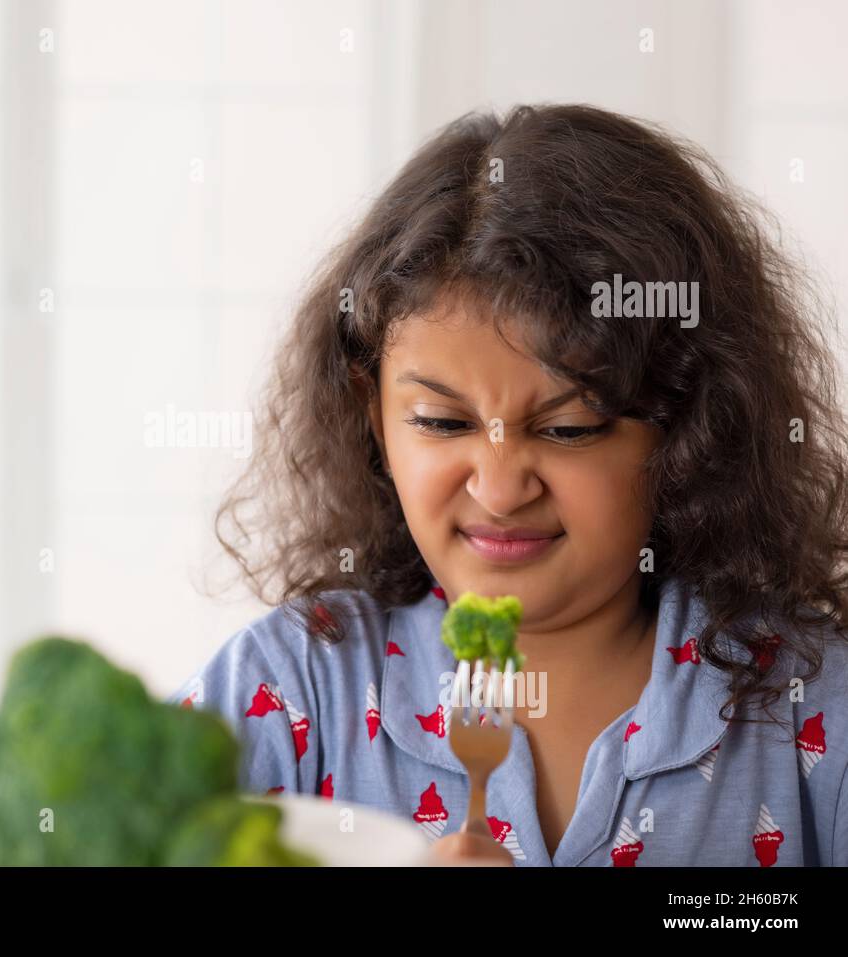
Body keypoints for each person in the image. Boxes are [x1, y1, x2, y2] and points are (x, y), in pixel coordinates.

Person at [168, 104, 848, 866]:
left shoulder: (813, 703)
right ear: (372, 412)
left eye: (567, 430)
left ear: (686, 424)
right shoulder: (294, 683)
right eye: (440, 422)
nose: (497, 489)